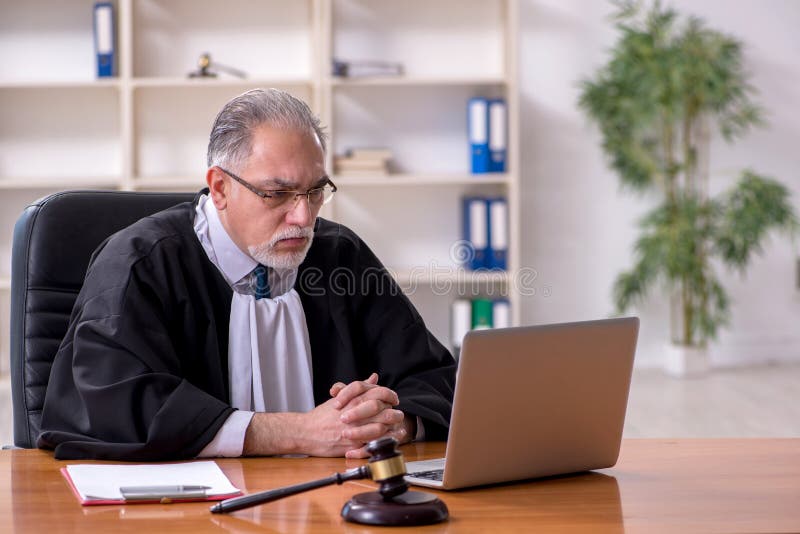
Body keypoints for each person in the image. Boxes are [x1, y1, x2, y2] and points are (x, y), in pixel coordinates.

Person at [38, 88, 456, 461]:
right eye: (277, 194)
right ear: (219, 188)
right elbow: (115, 406)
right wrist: (297, 433)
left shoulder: (339, 256)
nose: (303, 216)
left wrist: (393, 423)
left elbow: (436, 377)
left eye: (315, 192)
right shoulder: (140, 263)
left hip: (330, 505)